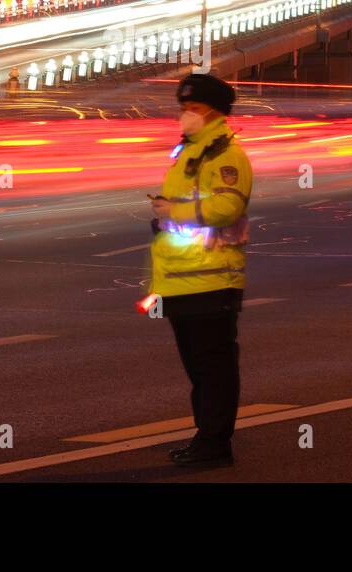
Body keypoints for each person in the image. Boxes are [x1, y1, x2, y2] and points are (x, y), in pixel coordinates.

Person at [149, 72, 253, 467]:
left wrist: (171, 212)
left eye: (192, 108)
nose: (185, 114)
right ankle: (206, 437)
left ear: (213, 111)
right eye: (184, 107)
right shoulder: (189, 151)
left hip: (213, 277)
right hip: (181, 278)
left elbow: (227, 207)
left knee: (213, 367)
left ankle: (214, 443)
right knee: (198, 368)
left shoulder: (225, 154)